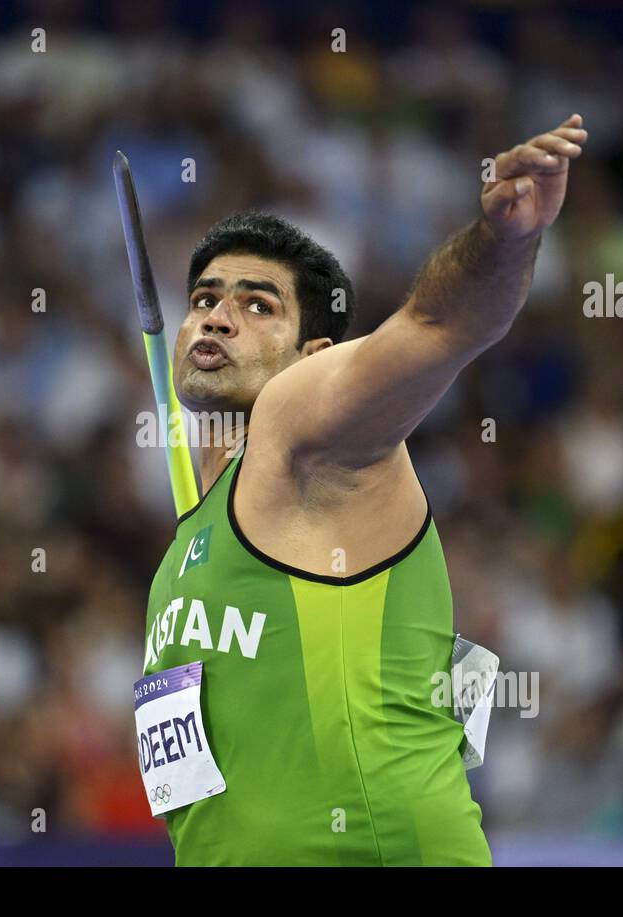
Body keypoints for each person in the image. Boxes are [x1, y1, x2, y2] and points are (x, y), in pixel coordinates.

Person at [138, 116, 589, 865]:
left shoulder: (302, 428)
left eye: (259, 305)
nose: (217, 314)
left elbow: (439, 323)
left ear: (316, 354)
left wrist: (503, 240)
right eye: (205, 298)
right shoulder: (199, 530)